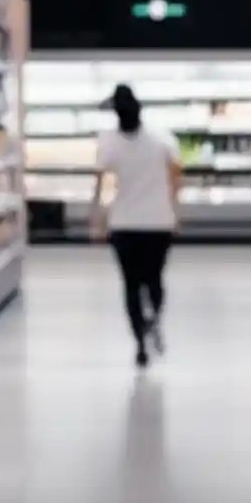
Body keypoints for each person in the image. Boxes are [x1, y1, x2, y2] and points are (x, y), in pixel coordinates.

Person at [91, 84, 182, 368]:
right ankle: (154, 316)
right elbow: (176, 175)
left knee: (131, 284)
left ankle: (140, 344)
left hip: (124, 223)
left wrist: (97, 218)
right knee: (154, 278)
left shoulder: (108, 143)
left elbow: (103, 184)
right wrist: (175, 210)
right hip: (158, 221)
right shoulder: (162, 139)